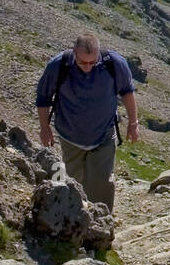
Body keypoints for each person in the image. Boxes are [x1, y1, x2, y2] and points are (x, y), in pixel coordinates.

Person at [35, 31, 138, 211]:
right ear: (74, 51)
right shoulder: (58, 66)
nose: (87, 66)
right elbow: (43, 98)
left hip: (104, 134)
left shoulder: (114, 63)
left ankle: (101, 222)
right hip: (69, 136)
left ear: (98, 53)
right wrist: (44, 128)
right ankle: (74, 218)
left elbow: (127, 92)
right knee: (73, 180)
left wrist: (133, 123)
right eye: (82, 62)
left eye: (92, 62)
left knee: (101, 182)